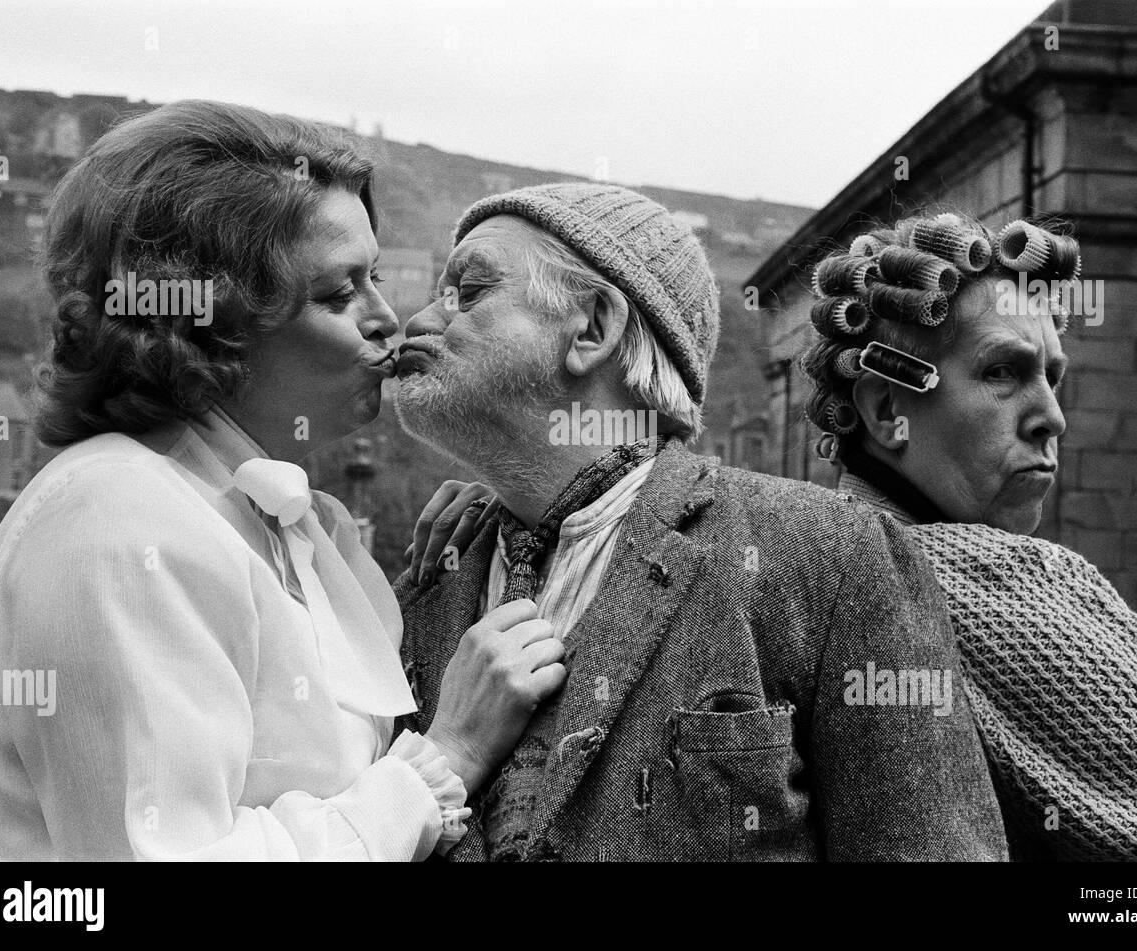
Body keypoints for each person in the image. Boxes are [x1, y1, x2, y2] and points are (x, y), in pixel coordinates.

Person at [0, 101, 566, 861]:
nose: (388, 319)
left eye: (375, 278)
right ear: (209, 321)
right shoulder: (118, 517)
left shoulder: (303, 528)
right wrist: (448, 757)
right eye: (339, 293)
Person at [390, 181, 1008, 861]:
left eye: (468, 290)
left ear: (593, 326)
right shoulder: (419, 584)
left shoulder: (830, 557)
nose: (414, 320)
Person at [798, 211, 1137, 860]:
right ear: (887, 408)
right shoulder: (988, 584)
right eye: (1003, 372)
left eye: (1053, 376)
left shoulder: (814, 567)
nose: (1053, 418)